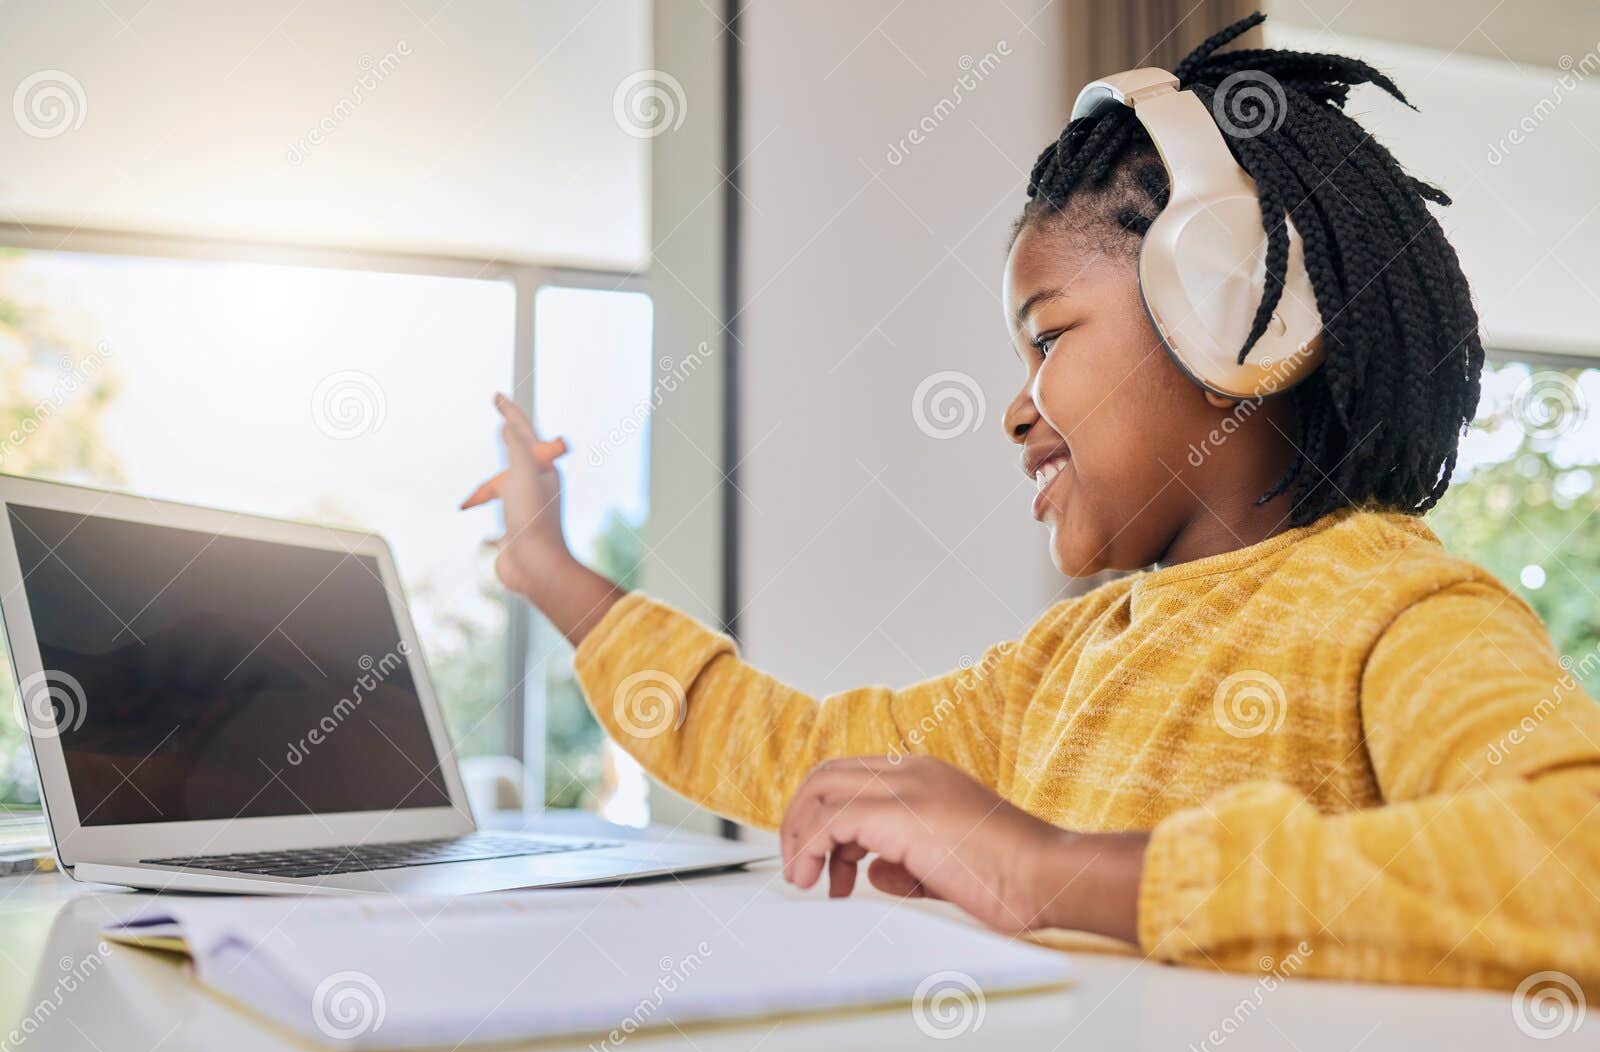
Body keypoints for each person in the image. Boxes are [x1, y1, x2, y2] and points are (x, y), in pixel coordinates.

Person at [463, 13, 1600, 993]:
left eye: (1048, 337)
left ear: (1232, 308)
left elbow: (1574, 860)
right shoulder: (1062, 662)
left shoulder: (1396, 611)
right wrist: (550, 570)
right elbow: (799, 753)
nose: (1015, 410)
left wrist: (1050, 869)